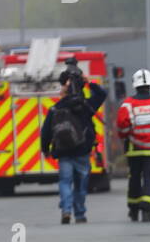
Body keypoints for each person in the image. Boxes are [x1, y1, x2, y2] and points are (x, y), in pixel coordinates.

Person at [40, 63, 107, 225]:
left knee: (65, 181)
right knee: (81, 184)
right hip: (82, 151)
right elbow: (102, 94)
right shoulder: (86, 105)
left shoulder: (55, 108)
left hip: (63, 152)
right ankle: (80, 214)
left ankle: (66, 210)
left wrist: (46, 149)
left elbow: (46, 131)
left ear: (63, 87)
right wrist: (88, 81)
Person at [116, 69, 150, 222]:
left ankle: (133, 210)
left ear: (135, 85)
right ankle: (146, 210)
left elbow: (122, 127)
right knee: (149, 178)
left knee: (134, 178)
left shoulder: (127, 105)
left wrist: (126, 135)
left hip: (134, 150)